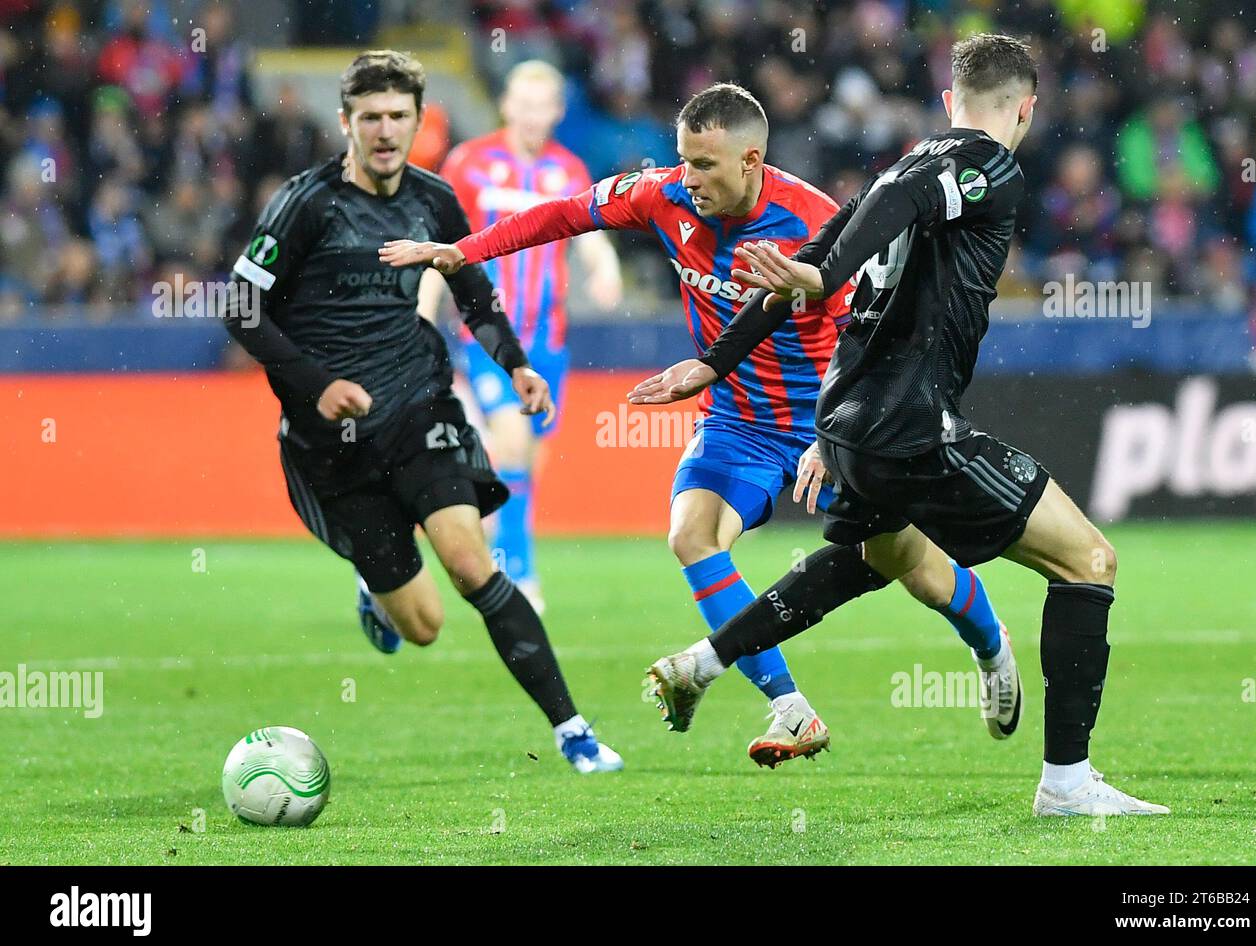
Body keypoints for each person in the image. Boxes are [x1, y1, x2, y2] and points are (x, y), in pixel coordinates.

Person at [379, 82, 1021, 768]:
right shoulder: (665, 195)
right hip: (739, 421)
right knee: (692, 534)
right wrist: (465, 252)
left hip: (826, 422)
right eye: (684, 160)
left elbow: (870, 338)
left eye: (705, 165)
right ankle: (790, 710)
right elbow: (565, 215)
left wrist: (838, 432)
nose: (690, 179)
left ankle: (992, 646)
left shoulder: (815, 222)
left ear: (751, 160)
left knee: (909, 564)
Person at [634, 35, 1167, 815]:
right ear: (1027, 107)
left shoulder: (905, 163)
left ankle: (700, 665)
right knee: (1090, 560)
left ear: (949, 101)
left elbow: (805, 259)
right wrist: (824, 275)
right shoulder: (988, 166)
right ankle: (1067, 783)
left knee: (870, 560)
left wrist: (718, 359)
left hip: (846, 417)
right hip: (910, 423)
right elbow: (824, 259)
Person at [220, 50, 622, 774]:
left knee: (472, 564)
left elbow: (472, 293)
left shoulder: (436, 201)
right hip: (332, 442)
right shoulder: (306, 204)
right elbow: (240, 306)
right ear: (345, 122)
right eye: (369, 117)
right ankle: (378, 592)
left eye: (397, 116)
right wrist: (315, 384)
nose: (383, 130)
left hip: (418, 408)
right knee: (426, 627)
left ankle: (575, 732)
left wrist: (517, 364)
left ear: (416, 121)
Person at [438, 60, 623, 613]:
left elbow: (589, 231)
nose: (533, 113)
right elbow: (442, 241)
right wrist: (424, 310)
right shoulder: (470, 164)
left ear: (557, 111)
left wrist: (604, 265)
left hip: (549, 337)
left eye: (544, 104)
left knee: (530, 460)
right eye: (524, 101)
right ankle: (517, 571)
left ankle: (499, 526)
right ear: (506, 105)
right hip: (489, 333)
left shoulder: (567, 171)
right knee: (514, 442)